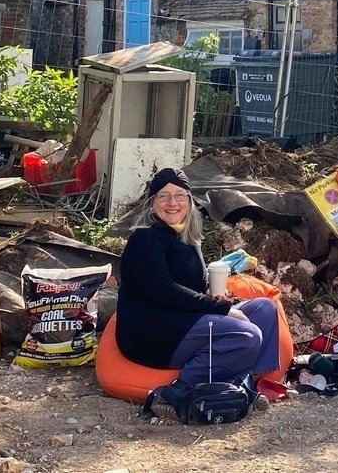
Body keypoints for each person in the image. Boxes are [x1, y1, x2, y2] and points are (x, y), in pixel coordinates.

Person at [116, 168, 280, 394]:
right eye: (163, 196)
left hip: (184, 320)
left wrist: (213, 294)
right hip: (153, 332)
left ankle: (249, 382)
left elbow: (193, 286)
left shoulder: (189, 239)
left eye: (179, 195)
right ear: (152, 203)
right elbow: (163, 290)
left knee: (265, 308)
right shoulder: (144, 239)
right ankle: (179, 390)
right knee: (247, 335)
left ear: (190, 201)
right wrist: (222, 308)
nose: (172, 202)